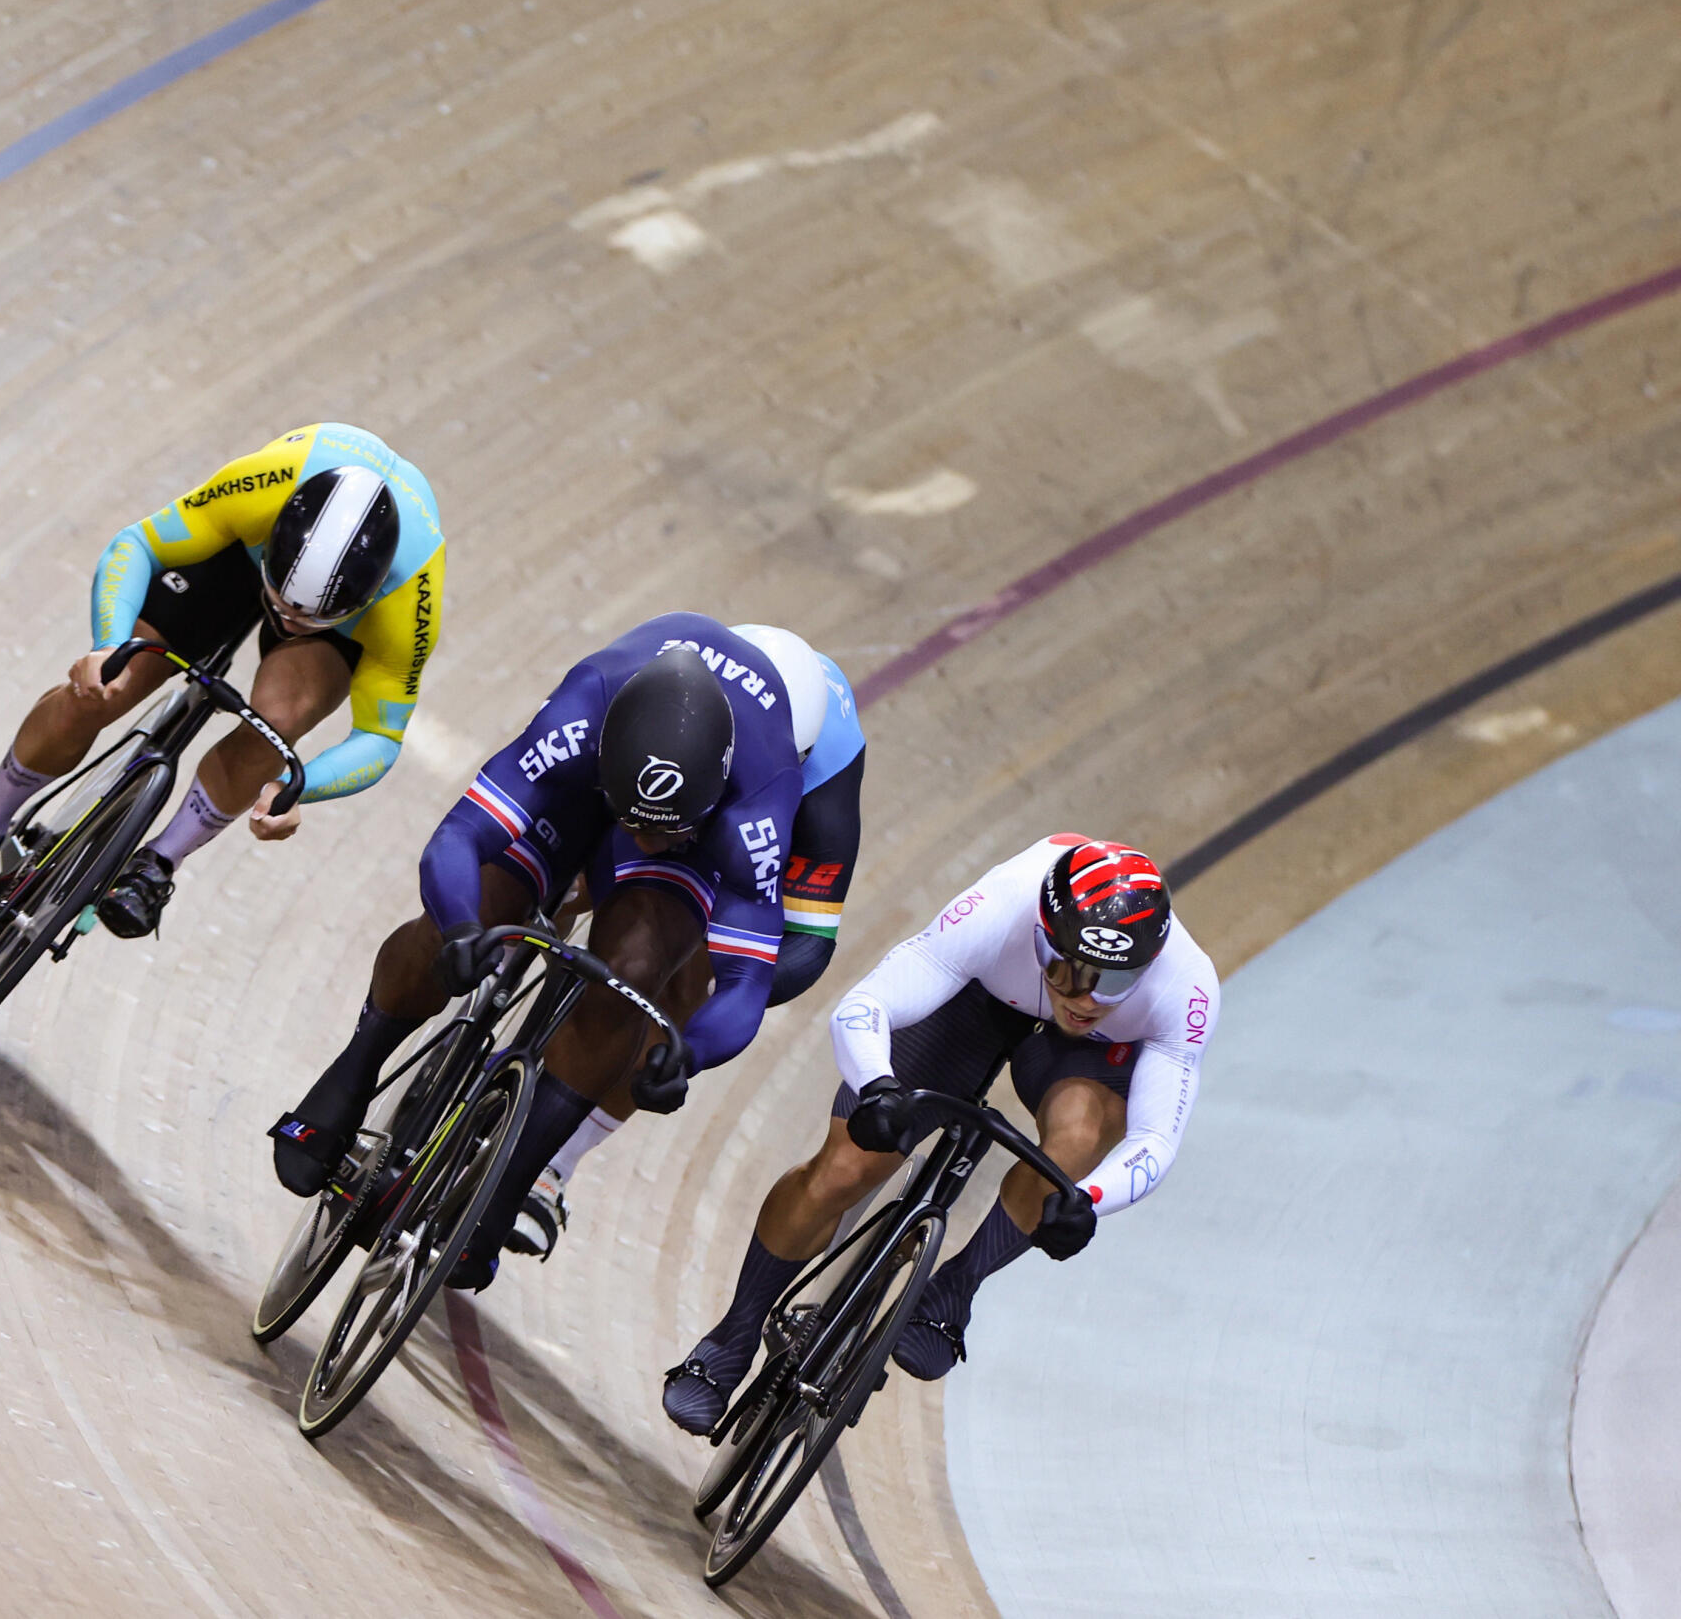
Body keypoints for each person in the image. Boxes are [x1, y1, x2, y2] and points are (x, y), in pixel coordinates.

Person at [267, 612, 805, 1293]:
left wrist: (688, 1052)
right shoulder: (583, 709)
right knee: (484, 903)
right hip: (586, 786)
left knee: (631, 978)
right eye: (634, 823)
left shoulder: (758, 801)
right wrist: (461, 928)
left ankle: (506, 1186)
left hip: (691, 844)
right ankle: (357, 1063)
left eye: (659, 831)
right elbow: (459, 838)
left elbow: (746, 980)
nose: (641, 839)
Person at [660, 835, 1220, 1435]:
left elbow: (1154, 1139)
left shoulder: (1186, 986)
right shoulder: (1001, 907)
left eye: (1114, 983)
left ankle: (955, 1288)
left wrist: (1088, 1201)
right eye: (1067, 970)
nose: (1084, 998)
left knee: (1076, 1147)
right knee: (845, 1167)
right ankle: (734, 1334)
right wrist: (876, 1086)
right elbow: (867, 1005)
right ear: (1039, 933)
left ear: (1150, 964)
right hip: (979, 996)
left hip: (1087, 1056)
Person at [0, 425, 446, 939]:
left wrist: (297, 787)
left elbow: (380, 736)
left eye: (307, 617)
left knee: (275, 727)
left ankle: (159, 863)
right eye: (281, 602)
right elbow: (136, 545)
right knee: (106, 686)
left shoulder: (410, 601)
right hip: (238, 557)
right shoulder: (262, 485)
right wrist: (108, 645)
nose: (287, 620)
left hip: (334, 621)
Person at [504, 623, 867, 1259]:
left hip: (739, 832)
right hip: (667, 764)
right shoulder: (671, 688)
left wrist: (729, 986)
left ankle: (556, 1163)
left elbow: (809, 942)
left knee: (685, 984)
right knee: (554, 853)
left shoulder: (824, 777)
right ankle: (501, 971)